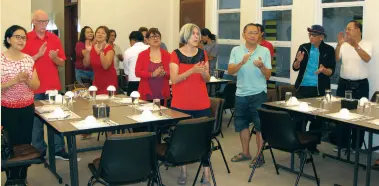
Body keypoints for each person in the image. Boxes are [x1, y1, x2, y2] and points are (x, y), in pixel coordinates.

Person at [22, 10, 69, 160]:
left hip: (53, 85)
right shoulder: (26, 39)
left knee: (57, 118)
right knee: (36, 121)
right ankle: (38, 149)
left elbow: (62, 62)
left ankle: (58, 149)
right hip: (34, 86)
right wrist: (37, 56)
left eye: (46, 21)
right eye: (41, 21)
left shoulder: (54, 38)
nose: (44, 25)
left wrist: (55, 58)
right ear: (33, 22)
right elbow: (21, 64)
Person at [170, 23, 212, 186]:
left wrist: (203, 73)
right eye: (193, 33)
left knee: (204, 139)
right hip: (181, 104)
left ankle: (206, 174)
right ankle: (183, 171)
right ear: (185, 36)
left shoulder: (203, 54)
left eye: (198, 34)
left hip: (202, 103)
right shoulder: (175, 54)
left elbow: (207, 79)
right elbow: (174, 79)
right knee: (183, 140)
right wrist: (192, 71)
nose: (197, 36)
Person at [228, 23, 271, 168]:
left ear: (259, 35)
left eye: (255, 32)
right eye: (249, 32)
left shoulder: (264, 51)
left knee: (259, 126)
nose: (252, 35)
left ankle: (259, 156)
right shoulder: (236, 50)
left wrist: (261, 66)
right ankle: (246, 153)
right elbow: (230, 71)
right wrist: (242, 62)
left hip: (258, 93)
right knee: (242, 124)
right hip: (241, 93)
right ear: (243, 35)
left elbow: (268, 76)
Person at [1, 25, 40, 183]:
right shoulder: (1, 60)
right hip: (7, 109)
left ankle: (22, 177)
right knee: (9, 145)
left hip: (26, 108)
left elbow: (36, 85)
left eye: (24, 37)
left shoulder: (29, 59)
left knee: (24, 145)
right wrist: (15, 80)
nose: (21, 40)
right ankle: (11, 178)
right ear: (8, 39)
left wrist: (28, 80)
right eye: (18, 37)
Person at [292, 25, 336, 154]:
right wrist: (298, 61)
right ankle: (298, 145)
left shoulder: (329, 50)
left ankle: (312, 145)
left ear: (321, 37)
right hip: (303, 87)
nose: (311, 37)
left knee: (317, 119)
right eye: (310, 35)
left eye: (314, 35)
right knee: (299, 118)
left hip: (319, 90)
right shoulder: (303, 47)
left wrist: (323, 70)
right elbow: (295, 67)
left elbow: (331, 72)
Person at [335, 20, 372, 153]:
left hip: (360, 85)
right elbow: (337, 58)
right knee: (342, 114)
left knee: (359, 115)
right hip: (344, 83)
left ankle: (356, 146)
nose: (346, 31)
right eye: (346, 29)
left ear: (358, 30)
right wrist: (339, 45)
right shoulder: (344, 45)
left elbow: (367, 58)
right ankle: (342, 144)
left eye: (349, 29)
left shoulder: (367, 44)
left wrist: (355, 45)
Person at [135, 28, 170, 103]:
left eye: (157, 36)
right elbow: (137, 72)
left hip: (162, 93)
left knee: (162, 114)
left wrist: (165, 73)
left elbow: (172, 73)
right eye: (152, 37)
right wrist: (152, 74)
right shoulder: (142, 55)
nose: (155, 38)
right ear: (147, 40)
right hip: (146, 93)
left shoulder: (167, 55)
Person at [83, 26, 117, 94]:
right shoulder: (91, 47)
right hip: (96, 81)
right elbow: (85, 64)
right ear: (95, 35)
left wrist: (101, 52)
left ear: (107, 37)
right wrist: (88, 51)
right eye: (98, 32)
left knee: (107, 102)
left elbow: (105, 66)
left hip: (109, 81)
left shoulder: (109, 49)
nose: (100, 34)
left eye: (103, 33)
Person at [123, 31, 149, 95]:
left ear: (132, 40)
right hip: (148, 81)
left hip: (133, 82)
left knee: (132, 104)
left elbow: (126, 71)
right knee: (148, 104)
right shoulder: (149, 48)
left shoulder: (128, 51)